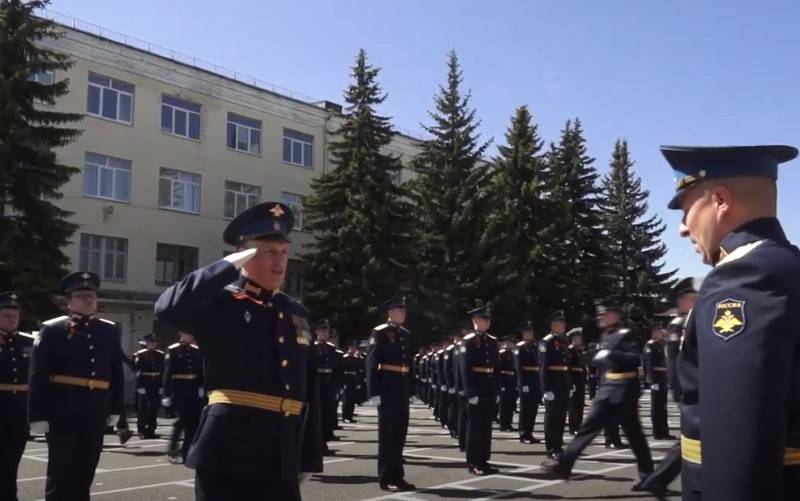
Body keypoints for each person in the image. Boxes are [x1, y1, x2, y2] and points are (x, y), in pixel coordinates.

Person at [154, 201, 323, 500]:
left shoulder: (295, 311)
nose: (279, 261)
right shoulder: (220, 302)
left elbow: (307, 388)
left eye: (283, 252)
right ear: (243, 253)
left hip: (281, 452)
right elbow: (169, 308)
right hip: (228, 450)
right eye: (268, 251)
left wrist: (307, 455)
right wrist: (227, 267)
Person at [660, 145, 800, 501]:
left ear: (720, 200)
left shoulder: (744, 278)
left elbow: (739, 438)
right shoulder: (787, 266)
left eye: (686, 208)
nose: (682, 228)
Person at [28, 271, 124, 501]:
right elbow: (38, 374)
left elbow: (116, 373)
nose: (88, 300)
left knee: (86, 469)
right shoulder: (53, 329)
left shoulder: (108, 330)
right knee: (61, 471)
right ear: (68, 301)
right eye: (81, 296)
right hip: (63, 408)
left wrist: (115, 408)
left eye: (91, 295)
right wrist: (37, 414)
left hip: (95, 408)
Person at [541, 298, 654, 489]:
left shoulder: (625, 334)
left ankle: (649, 477)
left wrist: (610, 356)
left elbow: (634, 358)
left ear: (615, 315)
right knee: (588, 428)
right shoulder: (607, 335)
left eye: (604, 313)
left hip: (624, 390)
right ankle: (564, 465)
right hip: (608, 389)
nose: (600, 316)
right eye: (599, 313)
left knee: (635, 436)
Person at [366, 295, 415, 492]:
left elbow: (409, 365)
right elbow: (371, 362)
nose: (403, 312)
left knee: (400, 434)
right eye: (399, 309)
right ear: (389, 312)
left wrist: (412, 389)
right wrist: (374, 391)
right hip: (387, 388)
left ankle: (398, 475)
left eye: (404, 309)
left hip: (402, 387)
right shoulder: (380, 332)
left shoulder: (405, 334)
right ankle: (386, 477)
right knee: (387, 435)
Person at [458, 300, 500, 476]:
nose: (487, 322)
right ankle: (474, 462)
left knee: (485, 427)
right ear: (475, 321)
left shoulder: (492, 341)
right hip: (476, 388)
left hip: (488, 388)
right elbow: (465, 369)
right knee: (474, 427)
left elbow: (495, 367)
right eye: (483, 319)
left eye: (488, 319)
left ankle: (484, 460)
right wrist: (470, 392)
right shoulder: (468, 341)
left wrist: (497, 390)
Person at [0, 292, 34, 501]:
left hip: (20, 409)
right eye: (6, 315)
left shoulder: (30, 342)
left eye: (15, 315)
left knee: (13, 460)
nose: (12, 319)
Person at [539, 310, 570, 459]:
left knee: (561, 417)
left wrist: (569, 385)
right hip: (553, 384)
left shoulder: (563, 341)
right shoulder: (547, 341)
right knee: (552, 418)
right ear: (553, 325)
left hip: (562, 384)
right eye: (560, 323)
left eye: (564, 322)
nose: (563, 325)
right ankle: (551, 447)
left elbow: (566, 366)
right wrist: (546, 389)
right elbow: (544, 367)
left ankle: (558, 445)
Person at [312, 320, 341, 450]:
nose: (325, 333)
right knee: (317, 414)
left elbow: (337, 369)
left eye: (326, 331)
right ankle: (317, 445)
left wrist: (337, 386)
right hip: (317, 381)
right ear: (316, 332)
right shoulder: (312, 347)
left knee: (327, 413)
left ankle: (324, 442)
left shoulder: (331, 348)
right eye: (322, 331)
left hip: (329, 382)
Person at [642, 323, 673, 440]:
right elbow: (649, 364)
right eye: (659, 331)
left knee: (663, 406)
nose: (662, 333)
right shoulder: (650, 345)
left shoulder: (661, 345)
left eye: (662, 331)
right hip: (656, 379)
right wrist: (652, 380)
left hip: (662, 378)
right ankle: (657, 432)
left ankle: (664, 431)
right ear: (654, 332)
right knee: (656, 406)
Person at [513, 320, 542, 444]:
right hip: (526, 381)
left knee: (533, 409)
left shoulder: (535, 347)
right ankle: (523, 434)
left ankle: (529, 432)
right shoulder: (520, 347)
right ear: (523, 333)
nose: (530, 334)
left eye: (531, 331)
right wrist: (522, 383)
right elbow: (518, 367)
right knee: (525, 409)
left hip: (535, 380)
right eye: (527, 332)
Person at [133, 333, 165, 439]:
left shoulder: (161, 355)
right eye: (151, 342)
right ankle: (141, 430)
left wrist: (162, 386)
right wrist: (139, 385)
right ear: (147, 343)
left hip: (156, 383)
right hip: (145, 383)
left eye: (154, 342)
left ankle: (151, 429)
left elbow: (163, 372)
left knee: (154, 408)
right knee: (143, 409)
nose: (153, 344)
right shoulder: (141, 354)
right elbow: (137, 371)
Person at [566, 328, 586, 435]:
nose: (579, 339)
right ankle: (573, 427)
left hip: (580, 380)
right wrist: (570, 383)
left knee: (580, 404)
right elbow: (568, 368)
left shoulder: (579, 350)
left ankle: (578, 426)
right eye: (576, 337)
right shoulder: (570, 350)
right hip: (574, 380)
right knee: (573, 405)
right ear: (572, 338)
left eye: (579, 337)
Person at [497, 338, 517, 432]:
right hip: (504, 381)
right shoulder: (502, 354)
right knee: (504, 405)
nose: (512, 344)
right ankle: (503, 425)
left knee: (510, 404)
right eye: (510, 342)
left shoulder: (512, 353)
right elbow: (498, 370)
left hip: (511, 382)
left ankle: (508, 423)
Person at [341, 343, 363, 424]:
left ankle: (350, 416)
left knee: (352, 400)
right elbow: (341, 370)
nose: (353, 349)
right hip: (346, 379)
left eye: (354, 348)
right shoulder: (344, 358)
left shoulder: (357, 359)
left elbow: (360, 371)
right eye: (351, 347)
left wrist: (359, 382)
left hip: (354, 380)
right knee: (346, 400)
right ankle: (345, 416)